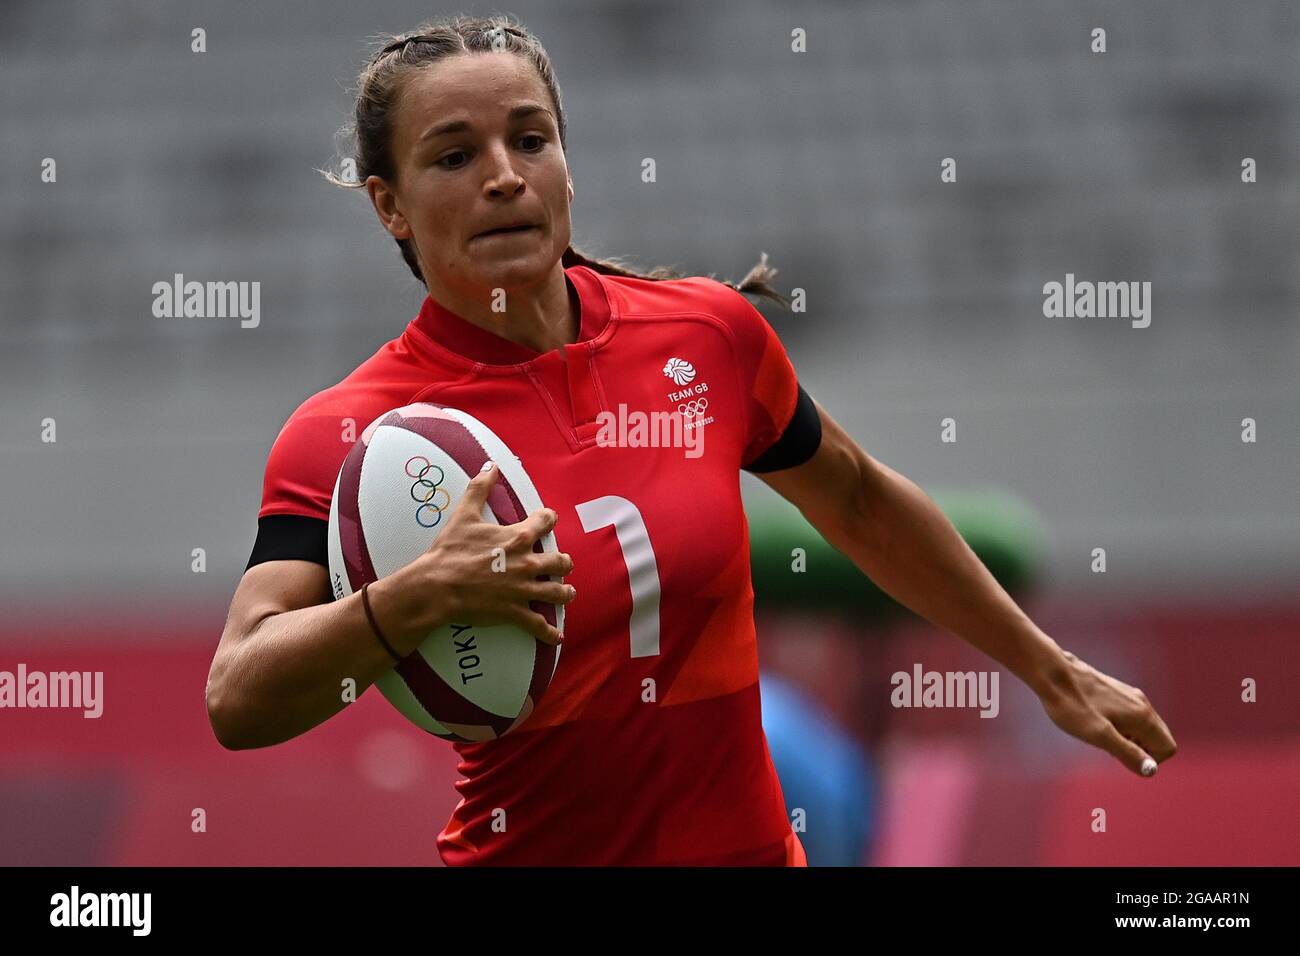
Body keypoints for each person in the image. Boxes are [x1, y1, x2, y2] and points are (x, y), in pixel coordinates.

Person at [205, 14, 1176, 867]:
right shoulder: (352, 433)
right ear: (389, 203)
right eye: (454, 155)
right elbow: (239, 693)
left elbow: (860, 501)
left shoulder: (705, 337)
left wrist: (1050, 669)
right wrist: (410, 600)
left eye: (529, 140)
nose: (503, 176)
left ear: (566, 167)